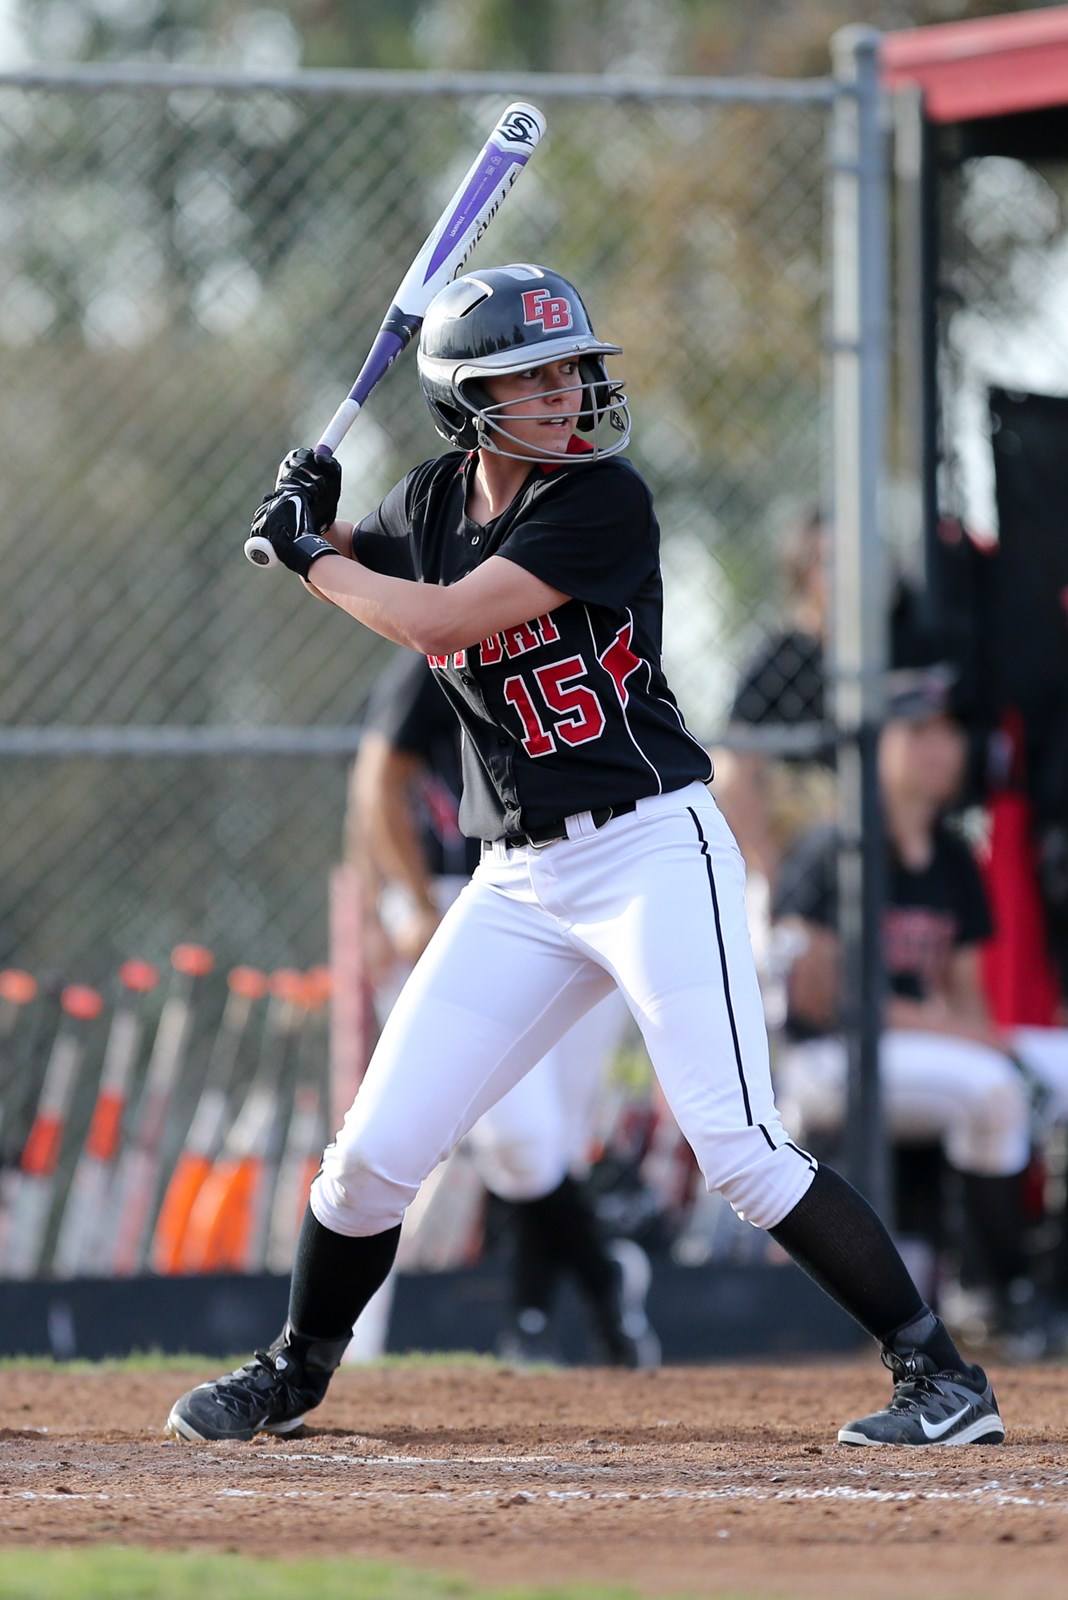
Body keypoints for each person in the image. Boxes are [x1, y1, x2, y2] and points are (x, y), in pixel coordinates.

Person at [166, 262, 1004, 1448]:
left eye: (570, 367)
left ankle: (940, 1374)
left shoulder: (601, 501)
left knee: (739, 1147)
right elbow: (379, 549)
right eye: (532, 375)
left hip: (654, 849)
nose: (566, 391)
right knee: (370, 1157)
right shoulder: (432, 499)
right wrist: (313, 518)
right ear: (467, 400)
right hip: (518, 877)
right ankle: (296, 1368)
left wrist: (314, 562)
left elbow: (438, 619)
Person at [348, 646, 657, 1366]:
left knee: (557, 1135)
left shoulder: (583, 642)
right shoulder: (431, 660)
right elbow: (373, 792)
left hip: (586, 890)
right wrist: (403, 902)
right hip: (468, 899)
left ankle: (535, 1321)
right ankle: (604, 1276)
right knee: (517, 1135)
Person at [772, 667, 1068, 1356]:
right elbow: (827, 1001)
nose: (941, 748)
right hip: (826, 1062)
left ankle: (1013, 1286)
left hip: (930, 1050)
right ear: (878, 745)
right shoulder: (833, 847)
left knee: (1026, 1073)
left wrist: (961, 1029)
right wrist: (950, 1027)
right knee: (990, 1086)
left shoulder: (957, 858)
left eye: (949, 733)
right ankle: (999, 1289)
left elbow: (969, 995)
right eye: (919, 732)